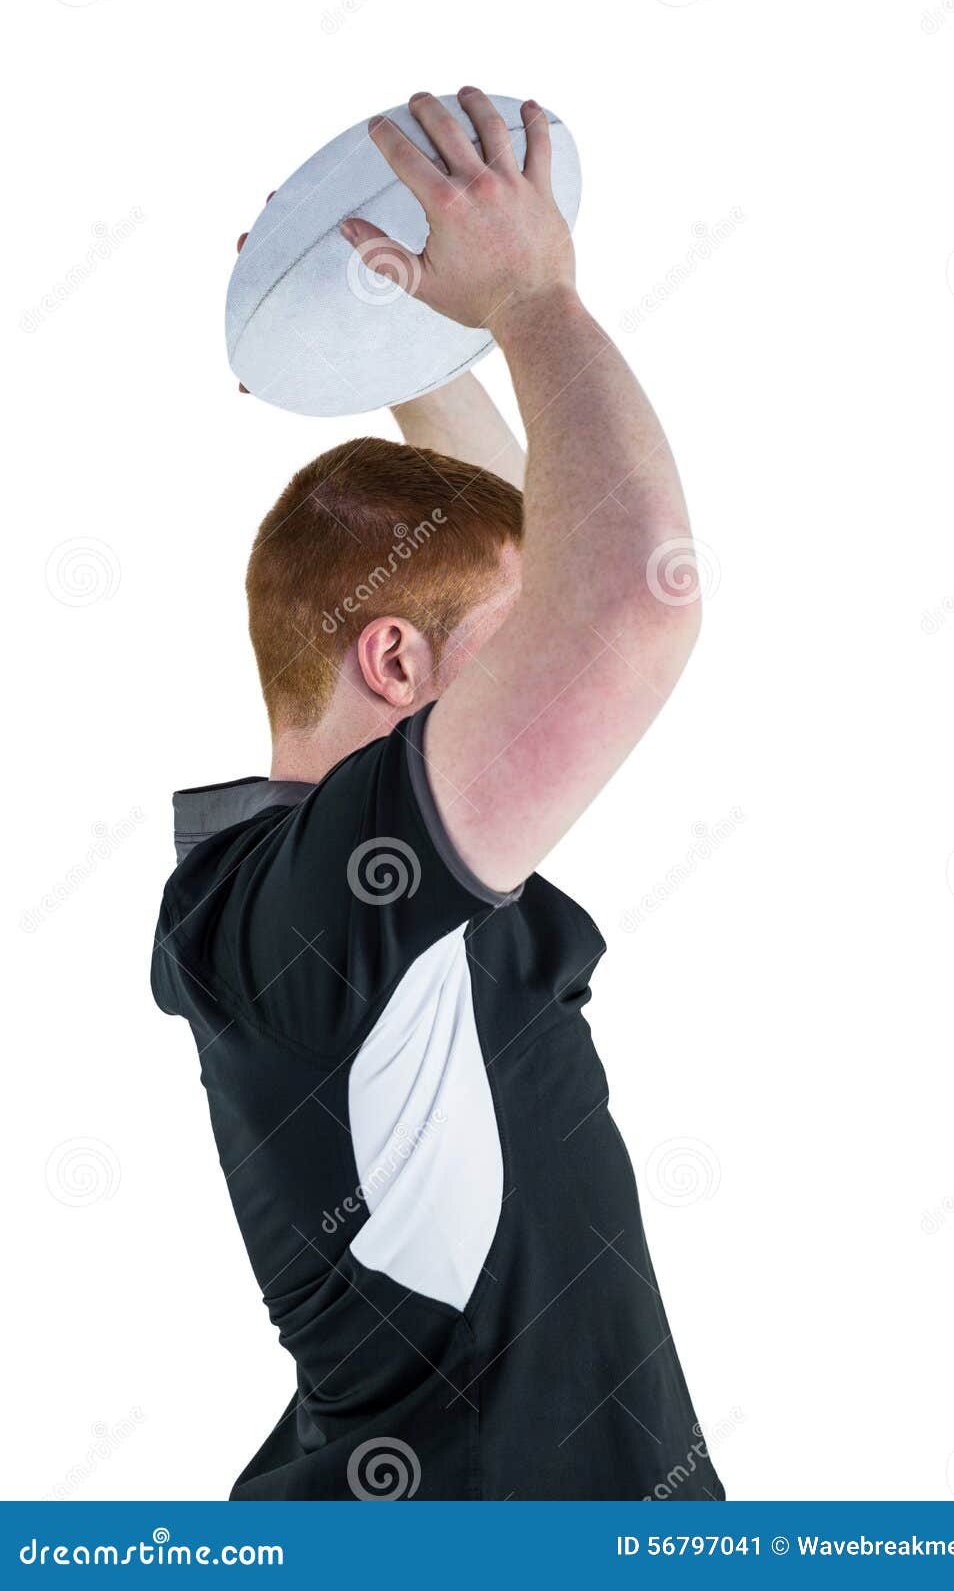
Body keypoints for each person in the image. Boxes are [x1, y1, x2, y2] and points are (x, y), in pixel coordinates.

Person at [152, 87, 722, 1501]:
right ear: (394, 657)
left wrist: (393, 331)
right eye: (498, 649)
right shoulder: (312, 919)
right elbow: (632, 601)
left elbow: (540, 554)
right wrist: (531, 298)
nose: (531, 672)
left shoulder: (364, 905)